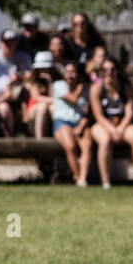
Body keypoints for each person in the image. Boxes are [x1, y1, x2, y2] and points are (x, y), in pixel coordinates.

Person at [90, 57, 133, 189]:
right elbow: (98, 115)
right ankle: (106, 182)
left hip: (123, 124)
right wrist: (112, 130)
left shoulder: (126, 87)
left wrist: (120, 128)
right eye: (105, 70)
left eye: (112, 69)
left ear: (117, 70)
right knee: (105, 140)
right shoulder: (97, 89)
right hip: (103, 124)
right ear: (101, 72)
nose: (109, 73)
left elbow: (129, 113)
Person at [52, 59, 93, 187]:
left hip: (80, 122)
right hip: (62, 122)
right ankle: (77, 176)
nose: (69, 75)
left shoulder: (87, 91)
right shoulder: (59, 85)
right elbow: (73, 98)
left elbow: (88, 113)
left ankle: (82, 178)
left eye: (73, 72)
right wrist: (81, 86)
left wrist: (81, 126)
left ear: (78, 74)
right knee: (71, 147)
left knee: (87, 145)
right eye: (67, 72)